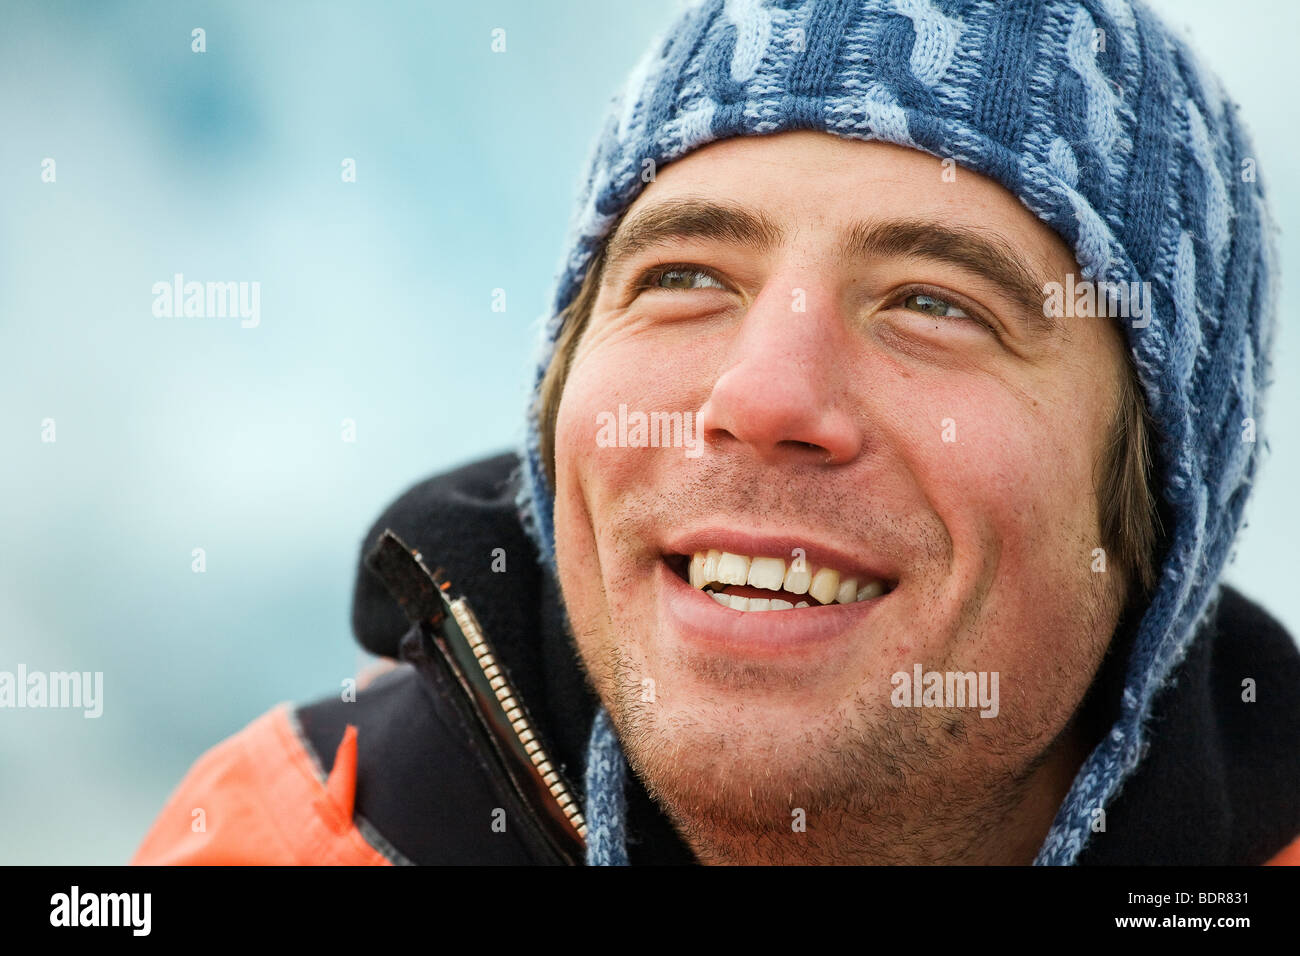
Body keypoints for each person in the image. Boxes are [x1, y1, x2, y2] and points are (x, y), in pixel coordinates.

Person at [134, 0, 1299, 866]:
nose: (763, 397)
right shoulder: (276, 834)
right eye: (686, 273)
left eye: (936, 302)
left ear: (1161, 506)